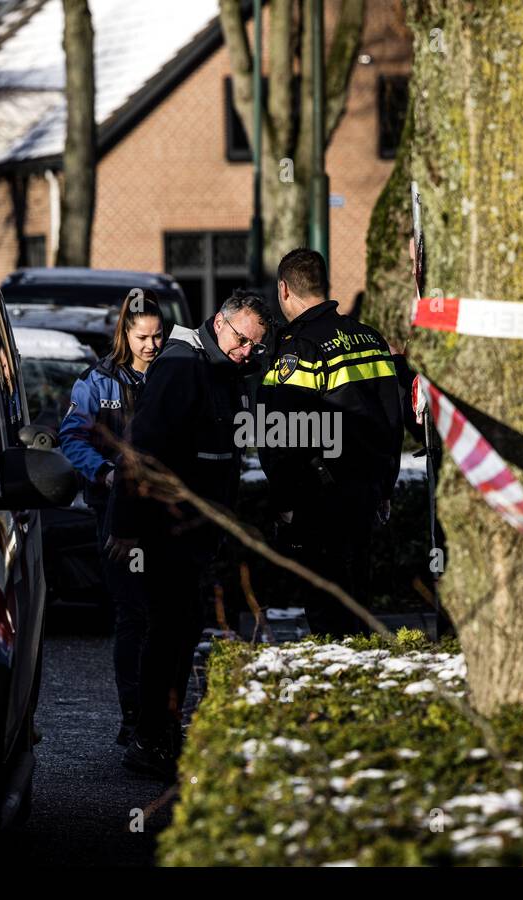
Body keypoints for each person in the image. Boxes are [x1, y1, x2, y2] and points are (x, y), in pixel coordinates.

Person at [106, 290, 272, 780]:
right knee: (166, 633)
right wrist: (127, 527)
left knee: (180, 631)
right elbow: (142, 449)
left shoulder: (221, 370)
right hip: (167, 530)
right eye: (242, 340)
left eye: (254, 347)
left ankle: (161, 732)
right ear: (220, 324)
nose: (247, 352)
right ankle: (151, 737)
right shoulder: (183, 366)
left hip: (195, 533)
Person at [259, 248, 404, 637]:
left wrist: (285, 500)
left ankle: (339, 684)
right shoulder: (370, 339)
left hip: (320, 501)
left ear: (284, 289)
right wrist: (385, 487)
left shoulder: (299, 349)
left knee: (327, 612)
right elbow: (393, 423)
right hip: (367, 496)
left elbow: (282, 432)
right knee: (359, 601)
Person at [58, 293, 166, 746]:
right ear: (124, 334)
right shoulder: (97, 382)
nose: (152, 345)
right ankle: (132, 715)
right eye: (143, 336)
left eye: (159, 335)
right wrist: (104, 474)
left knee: (158, 614)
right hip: (114, 510)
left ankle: (156, 713)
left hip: (162, 511)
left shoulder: (171, 375)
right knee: (131, 614)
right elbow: (71, 437)